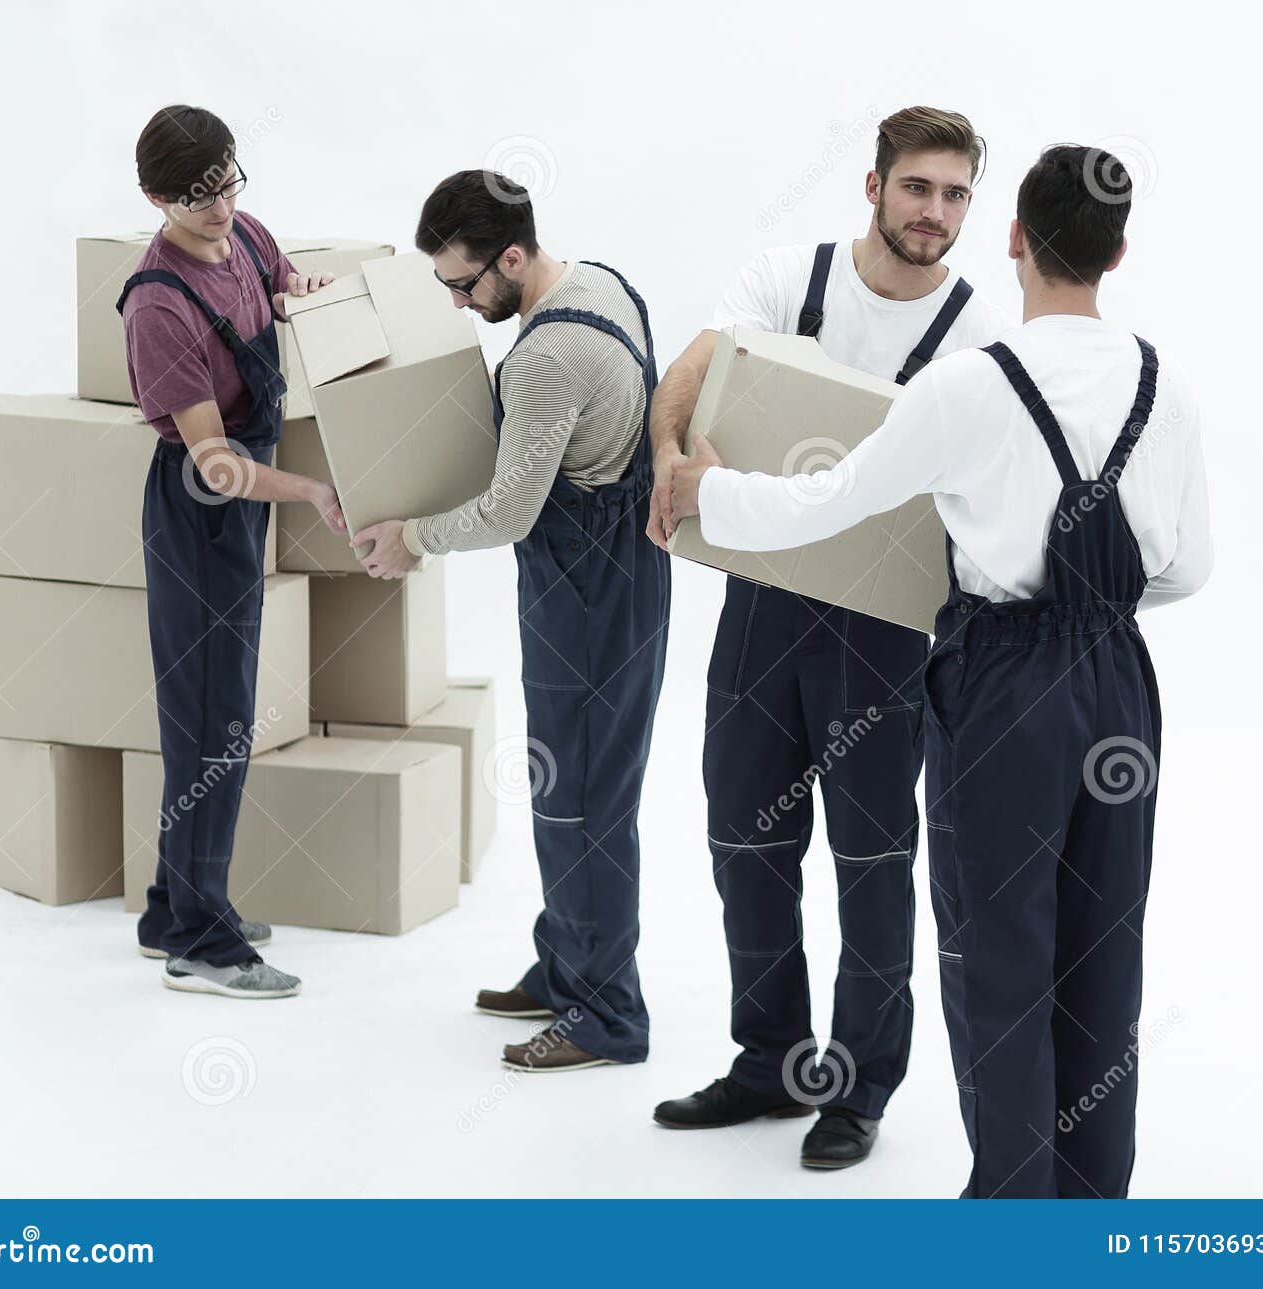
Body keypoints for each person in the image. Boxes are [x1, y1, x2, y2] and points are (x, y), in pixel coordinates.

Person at [669, 143, 1213, 1197]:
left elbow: (833, 500)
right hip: (1118, 681)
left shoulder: (974, 381)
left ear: (1012, 237)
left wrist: (712, 494)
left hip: (1002, 684)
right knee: (1104, 951)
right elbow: (1188, 570)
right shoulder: (1167, 380)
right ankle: (1091, 1209)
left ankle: (1010, 1210)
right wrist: (1088, 612)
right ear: (1118, 253)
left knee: (996, 952)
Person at [645, 107, 1009, 1169]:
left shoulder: (979, 336)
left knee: (871, 860)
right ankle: (768, 1060)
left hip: (885, 631)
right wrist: (669, 456)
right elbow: (697, 365)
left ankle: (856, 1086)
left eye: (954, 194)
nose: (933, 211)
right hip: (761, 605)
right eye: (916, 187)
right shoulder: (787, 280)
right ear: (874, 186)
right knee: (744, 842)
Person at [351, 171, 670, 1073]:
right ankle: (569, 964)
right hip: (620, 576)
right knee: (570, 787)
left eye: (465, 283)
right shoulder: (605, 282)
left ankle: (607, 1013)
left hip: (588, 594)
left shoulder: (542, 360)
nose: (459, 303)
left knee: (584, 802)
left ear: (515, 259)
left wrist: (412, 537)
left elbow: (507, 510)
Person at [118, 104, 347, 999]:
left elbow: (280, 285)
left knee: (218, 712)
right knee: (213, 723)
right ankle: (203, 945)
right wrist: (312, 492)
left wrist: (309, 294)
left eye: (227, 181)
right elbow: (214, 462)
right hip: (200, 511)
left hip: (244, 503)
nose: (219, 207)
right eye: (197, 196)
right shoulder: (157, 303)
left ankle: (170, 907)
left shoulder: (246, 236)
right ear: (155, 198)